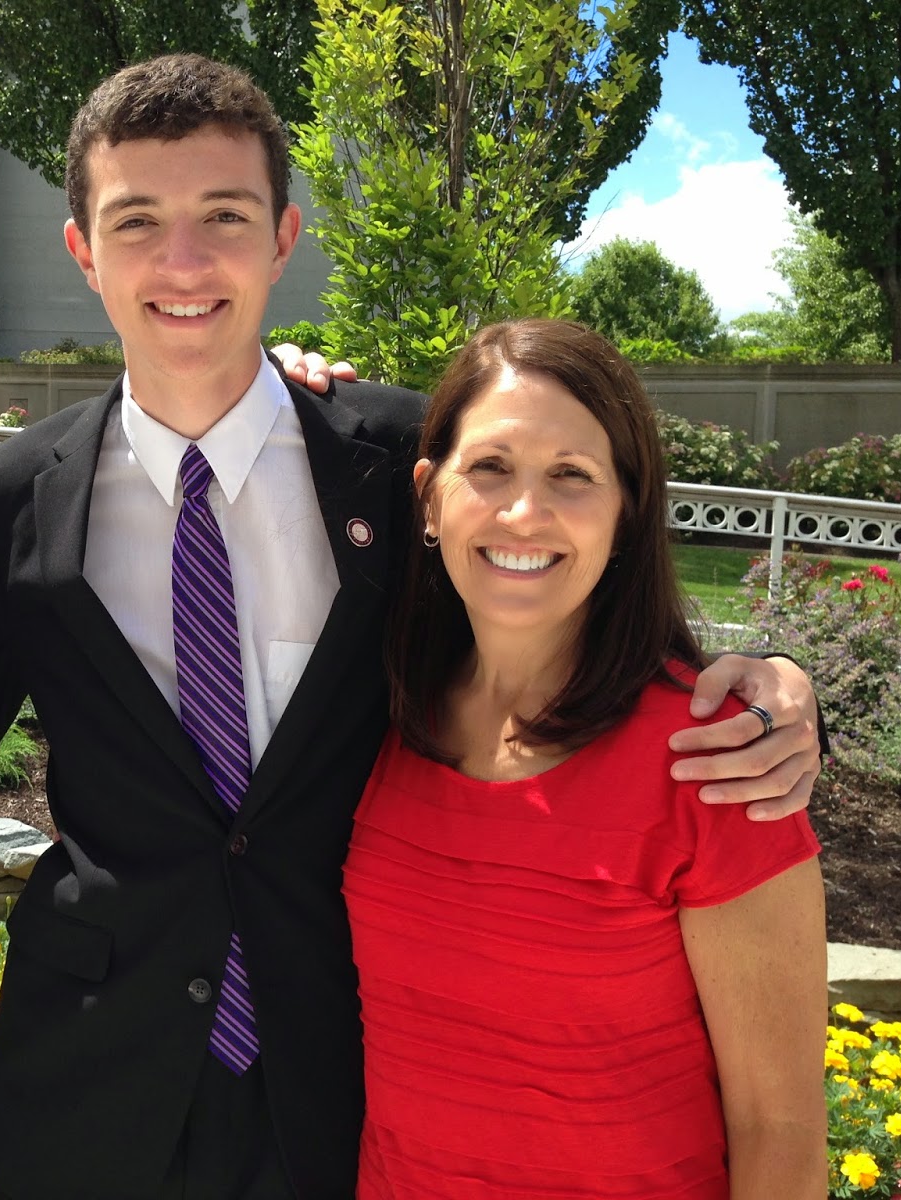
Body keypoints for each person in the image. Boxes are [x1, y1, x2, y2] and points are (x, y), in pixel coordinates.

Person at [0, 55, 823, 1200]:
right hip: (91, 1080)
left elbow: (552, 573)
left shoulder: (389, 462)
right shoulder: (11, 494)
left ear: (281, 238)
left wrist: (761, 677)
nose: (183, 262)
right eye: (136, 222)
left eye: (224, 215)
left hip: (348, 1076)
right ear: (83, 250)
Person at [345, 318, 827, 1198]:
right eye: (489, 468)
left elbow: (782, 1132)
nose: (524, 512)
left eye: (572, 476)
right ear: (428, 497)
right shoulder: (369, 719)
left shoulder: (714, 762)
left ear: (627, 510)